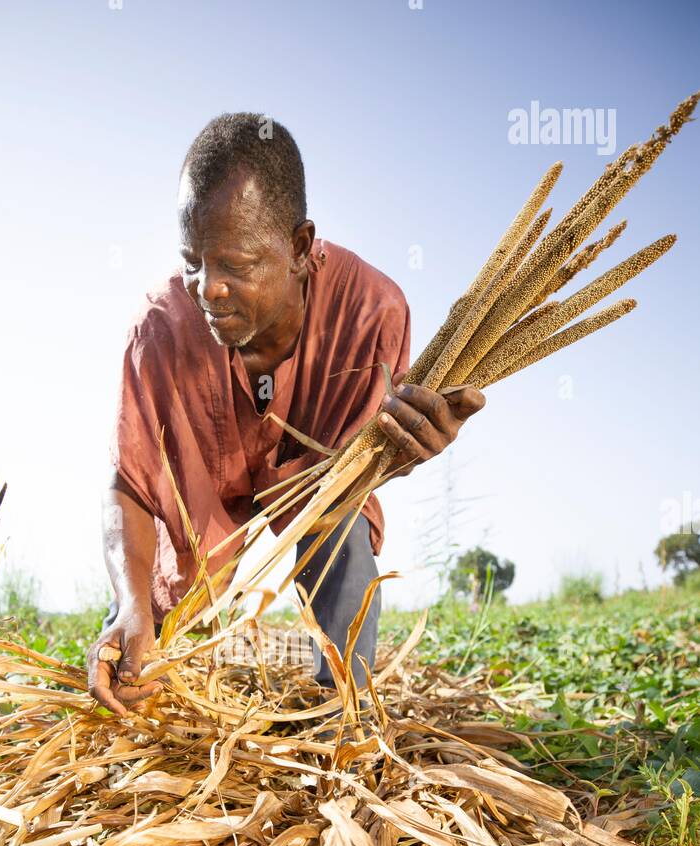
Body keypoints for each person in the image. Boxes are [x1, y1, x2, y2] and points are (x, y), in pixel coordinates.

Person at [88, 113, 485, 715]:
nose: (208, 288)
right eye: (193, 261)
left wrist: (406, 450)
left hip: (317, 489)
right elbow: (132, 483)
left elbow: (363, 466)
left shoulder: (371, 314)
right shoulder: (160, 330)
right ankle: (137, 654)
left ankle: (343, 713)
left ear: (300, 248)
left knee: (343, 539)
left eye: (236, 266)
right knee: (146, 631)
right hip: (200, 498)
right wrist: (130, 604)